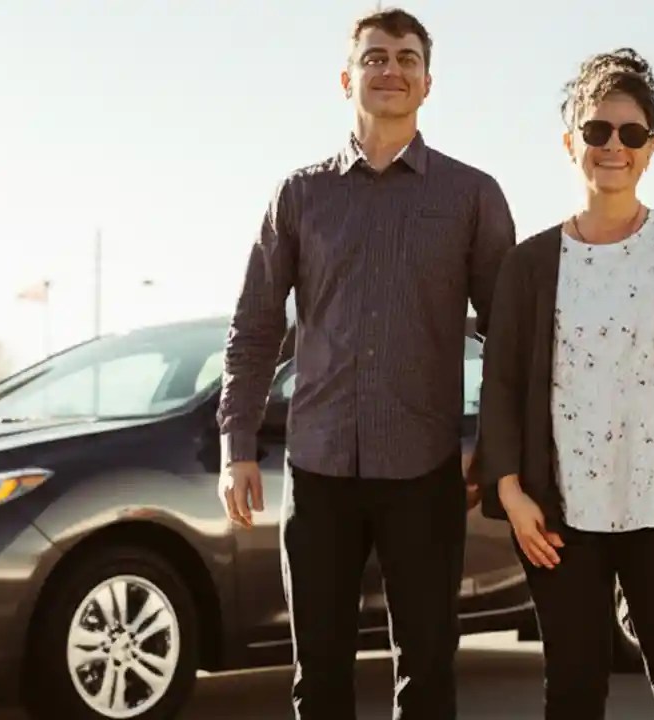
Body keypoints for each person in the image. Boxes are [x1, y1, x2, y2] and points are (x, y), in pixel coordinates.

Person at [215, 8, 516, 719]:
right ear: (347, 77)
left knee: (428, 675)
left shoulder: (472, 196)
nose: (392, 70)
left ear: (428, 82)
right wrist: (238, 447)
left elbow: (510, 335)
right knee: (317, 677)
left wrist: (496, 450)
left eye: (407, 58)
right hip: (319, 473)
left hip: (425, 472)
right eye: (377, 57)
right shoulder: (300, 195)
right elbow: (255, 329)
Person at [471, 48, 654, 720]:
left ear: (651, 148)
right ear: (570, 140)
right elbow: (504, 383)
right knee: (572, 692)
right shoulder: (529, 264)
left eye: (631, 134)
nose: (613, 146)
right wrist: (511, 492)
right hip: (559, 520)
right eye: (597, 130)